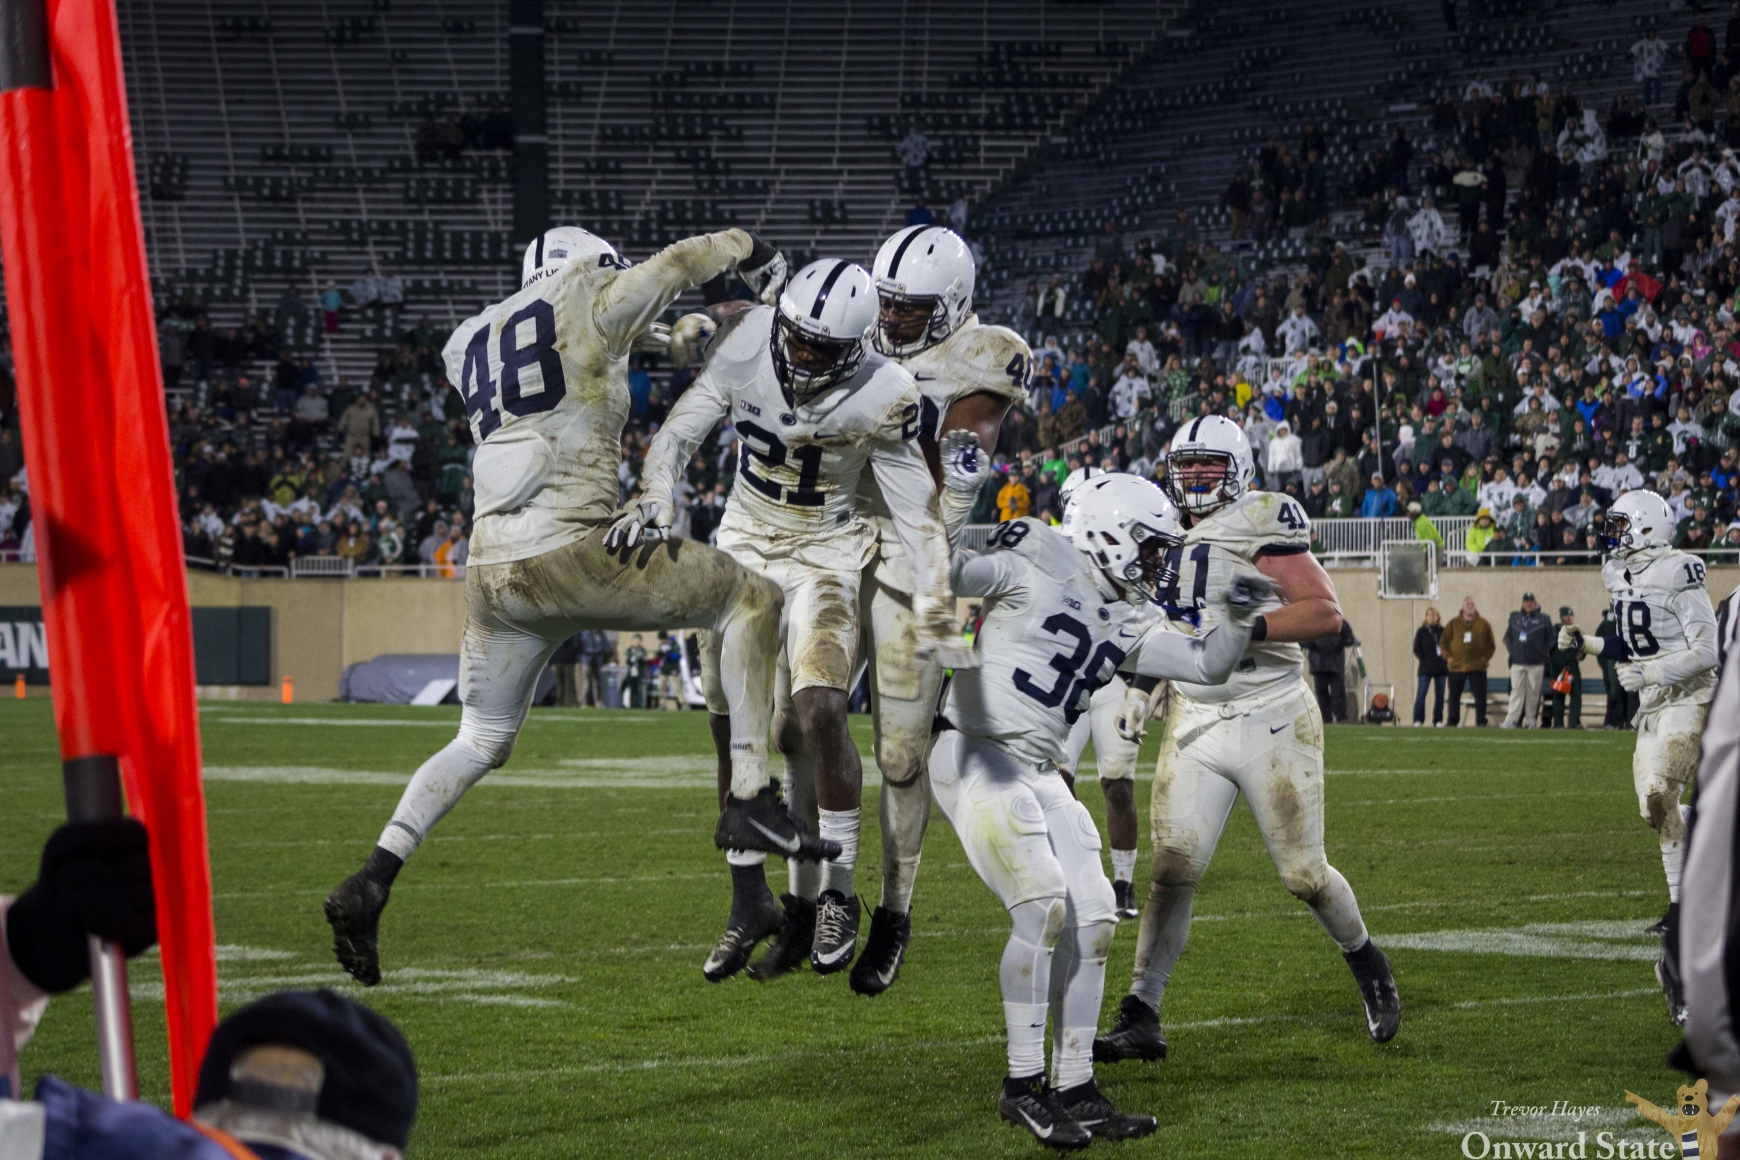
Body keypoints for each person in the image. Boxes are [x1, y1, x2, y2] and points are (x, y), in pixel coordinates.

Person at [322, 224, 813, 988]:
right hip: (575, 550)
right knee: (752, 600)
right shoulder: (584, 293)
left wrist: (659, 339)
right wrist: (752, 247)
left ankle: (374, 876)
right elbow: (679, 265)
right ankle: (750, 798)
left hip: (492, 573)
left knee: (481, 739)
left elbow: (565, 346)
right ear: (586, 271)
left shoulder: (467, 342)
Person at [628, 259, 965, 983]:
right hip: (743, 546)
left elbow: (919, 516)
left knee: (820, 708)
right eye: (800, 340)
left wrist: (942, 617)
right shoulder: (749, 341)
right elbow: (679, 434)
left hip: (825, 552)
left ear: (856, 346)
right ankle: (746, 894)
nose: (805, 355)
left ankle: (839, 892)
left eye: (823, 348)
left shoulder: (886, 390)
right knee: (731, 726)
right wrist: (656, 498)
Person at [931, 470, 1272, 1147]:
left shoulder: (1132, 614)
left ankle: (1075, 1085)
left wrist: (1237, 617)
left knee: (1093, 917)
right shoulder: (1037, 557)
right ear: (1109, 531)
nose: (1156, 563)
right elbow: (936, 570)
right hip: (973, 749)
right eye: (1148, 548)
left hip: (1041, 766)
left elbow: (1207, 665)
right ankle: (1021, 1086)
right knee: (1043, 905)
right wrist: (955, 500)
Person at [1097, 416, 1399, 1070]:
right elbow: (1161, 624)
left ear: (1237, 468)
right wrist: (1138, 689)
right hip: (1197, 718)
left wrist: (1240, 629)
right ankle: (1140, 1012)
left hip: (1270, 711)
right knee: (1172, 869)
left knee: (1303, 876)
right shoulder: (1162, 525)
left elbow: (1324, 613)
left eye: (1209, 465)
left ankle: (1366, 960)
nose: (1197, 478)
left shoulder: (1261, 516)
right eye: (1187, 467)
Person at [1557, 490, 1718, 1025]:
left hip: (1689, 697)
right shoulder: (1616, 573)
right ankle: (1704, 838)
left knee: (1660, 792)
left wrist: (1649, 675)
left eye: (1620, 523)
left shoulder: (1680, 570)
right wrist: (1587, 645)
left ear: (1647, 527)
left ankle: (1679, 912)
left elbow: (1705, 651)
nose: (1611, 532)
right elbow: (1633, 644)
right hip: (1651, 704)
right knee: (1656, 810)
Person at [1053, 467, 1146, 921]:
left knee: (1116, 784)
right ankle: (1067, 876)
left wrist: (1140, 692)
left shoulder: (1130, 553)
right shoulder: (1052, 553)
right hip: (1067, 684)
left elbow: (1152, 631)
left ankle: (1123, 881)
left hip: (1112, 684)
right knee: (1056, 784)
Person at [1442, 596, 1495, 726]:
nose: (1470, 606)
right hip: (1456, 666)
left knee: (1480, 696)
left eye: (1472, 604)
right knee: (1454, 695)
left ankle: (1481, 720)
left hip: (1477, 666)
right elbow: (1443, 642)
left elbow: (1491, 644)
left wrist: (1485, 658)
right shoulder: (1453, 623)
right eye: (1467, 604)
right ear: (1462, 607)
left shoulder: (1483, 623)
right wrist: (1448, 656)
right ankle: (1453, 720)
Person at [1502, 591, 1552, 729]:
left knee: (1533, 693)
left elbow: (1551, 638)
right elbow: (1508, 638)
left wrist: (1542, 651)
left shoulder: (1544, 619)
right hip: (1517, 662)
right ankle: (1512, 719)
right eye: (1526, 602)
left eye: (1531, 602)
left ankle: (1531, 720)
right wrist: (1513, 652)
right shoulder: (1515, 618)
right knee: (1516, 692)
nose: (1529, 604)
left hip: (1536, 663)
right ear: (1523, 604)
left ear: (1535, 603)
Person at [1307, 618, 1357, 723]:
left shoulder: (1340, 622)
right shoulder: (1312, 623)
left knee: (1338, 691)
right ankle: (1326, 717)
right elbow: (1302, 639)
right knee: (1321, 692)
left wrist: (1341, 644)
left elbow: (1350, 638)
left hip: (1335, 664)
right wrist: (1310, 644)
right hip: (1319, 663)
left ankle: (1341, 717)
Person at [1545, 605, 1583, 729]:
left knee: (1576, 697)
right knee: (1558, 698)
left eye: (1571, 615)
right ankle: (1558, 724)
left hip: (1573, 668)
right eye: (1567, 616)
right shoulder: (1554, 631)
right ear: (1562, 617)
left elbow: (1583, 648)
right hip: (1558, 670)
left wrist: (1582, 655)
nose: (1569, 618)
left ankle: (1573, 723)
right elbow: (1549, 649)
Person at [1413, 606, 1448, 726]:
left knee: (1440, 695)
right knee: (1421, 693)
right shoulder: (1421, 631)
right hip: (1426, 667)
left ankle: (1438, 720)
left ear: (1438, 617)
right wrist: (1424, 659)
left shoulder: (1443, 631)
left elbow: (1448, 646)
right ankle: (1418, 719)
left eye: (1434, 615)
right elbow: (1416, 649)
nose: (1431, 617)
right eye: (1429, 615)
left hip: (1441, 668)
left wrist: (1445, 660)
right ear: (1426, 617)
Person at [550, 631, 583, 706]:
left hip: (569, 660)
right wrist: (552, 661)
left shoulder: (573, 633)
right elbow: (553, 647)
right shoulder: (557, 633)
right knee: (559, 683)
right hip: (559, 660)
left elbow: (577, 645)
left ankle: (570, 702)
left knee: (569, 682)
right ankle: (559, 702)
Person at [621, 633, 648, 708]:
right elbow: (628, 660)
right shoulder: (629, 650)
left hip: (639, 672)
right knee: (632, 690)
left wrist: (637, 659)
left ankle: (639, 706)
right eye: (635, 641)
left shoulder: (642, 650)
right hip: (631, 672)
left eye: (638, 641)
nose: (637, 642)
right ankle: (631, 705)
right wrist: (634, 659)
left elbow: (643, 660)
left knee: (639, 690)